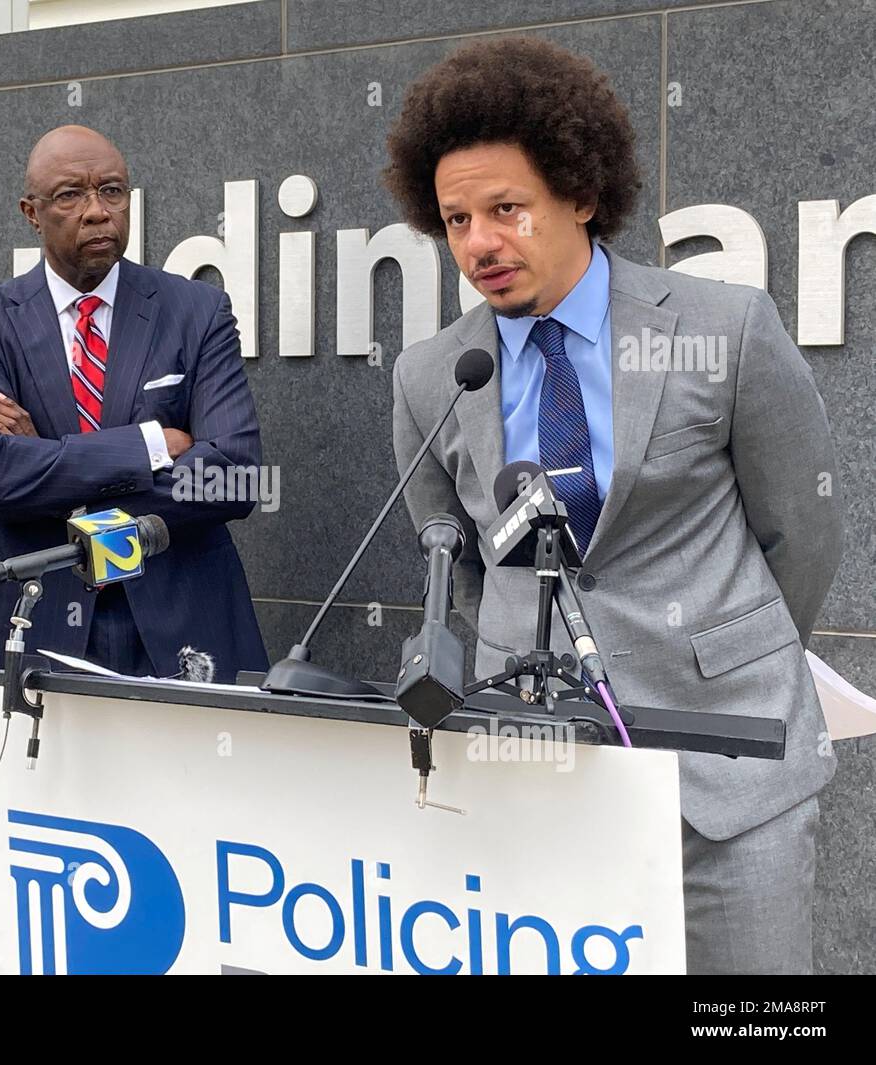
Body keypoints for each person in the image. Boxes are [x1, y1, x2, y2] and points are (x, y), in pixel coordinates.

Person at [385, 37, 843, 974]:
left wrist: (725, 655)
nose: (479, 243)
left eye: (506, 209)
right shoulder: (433, 375)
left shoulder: (724, 327)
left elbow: (803, 528)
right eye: (456, 218)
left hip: (731, 776)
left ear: (582, 194)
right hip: (540, 772)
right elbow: (457, 561)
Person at [0, 125, 268, 741]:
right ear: (30, 213)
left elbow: (233, 476)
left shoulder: (197, 311)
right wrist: (151, 445)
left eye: (112, 191)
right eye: (70, 196)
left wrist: (45, 456)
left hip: (177, 618)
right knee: (42, 832)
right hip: (35, 622)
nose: (97, 211)